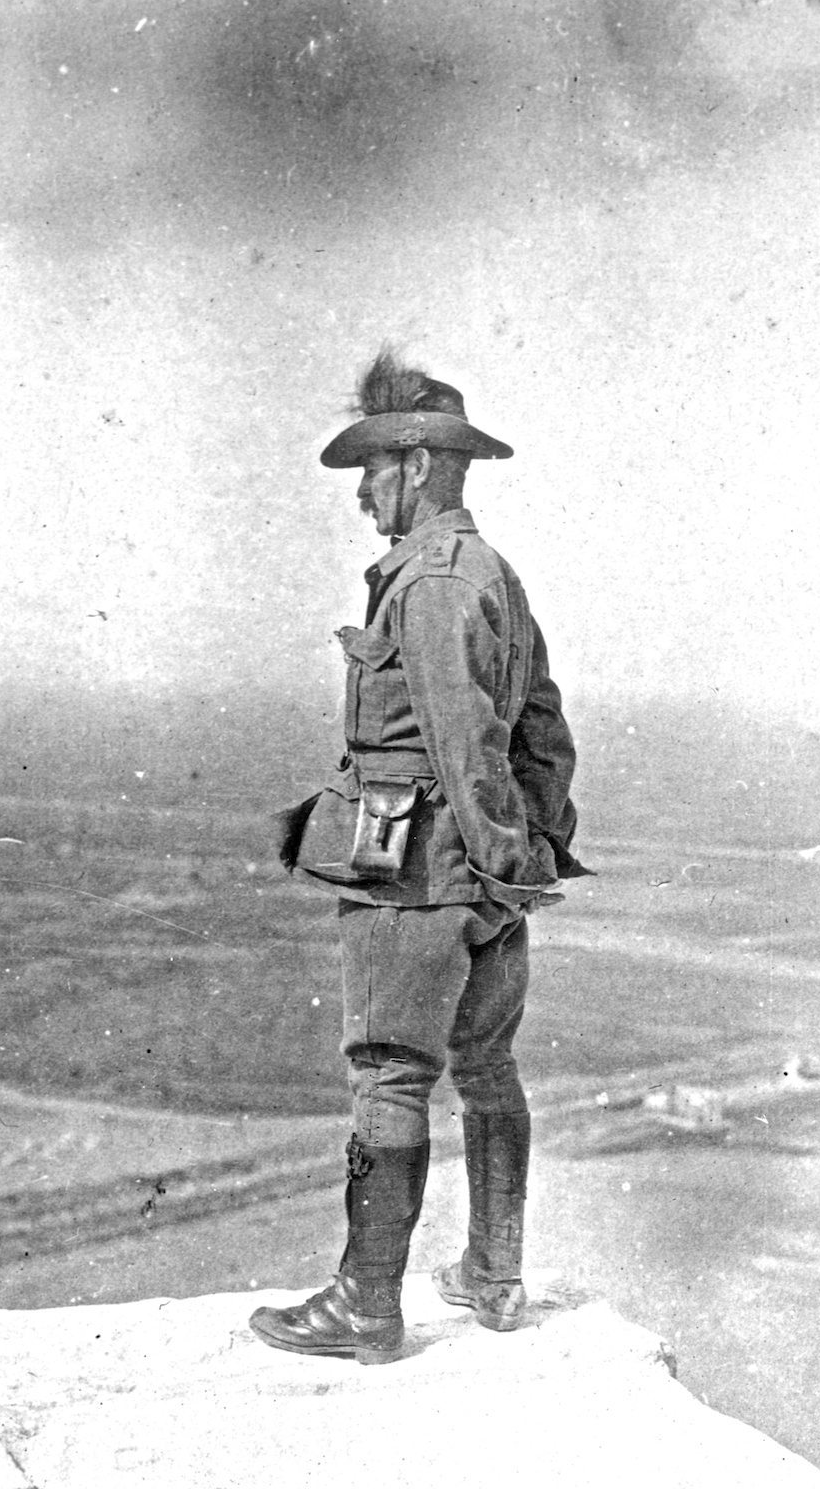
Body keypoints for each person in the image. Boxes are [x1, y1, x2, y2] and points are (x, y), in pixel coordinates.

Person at [249, 348, 587, 1365]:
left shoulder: (431, 584)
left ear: (417, 466)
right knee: (486, 1065)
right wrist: (524, 860)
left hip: (422, 877)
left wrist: (486, 861)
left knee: (388, 1074)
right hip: (487, 872)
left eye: (372, 470)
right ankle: (492, 1272)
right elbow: (546, 733)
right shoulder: (492, 574)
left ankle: (365, 1304)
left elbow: (462, 738)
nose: (361, 493)